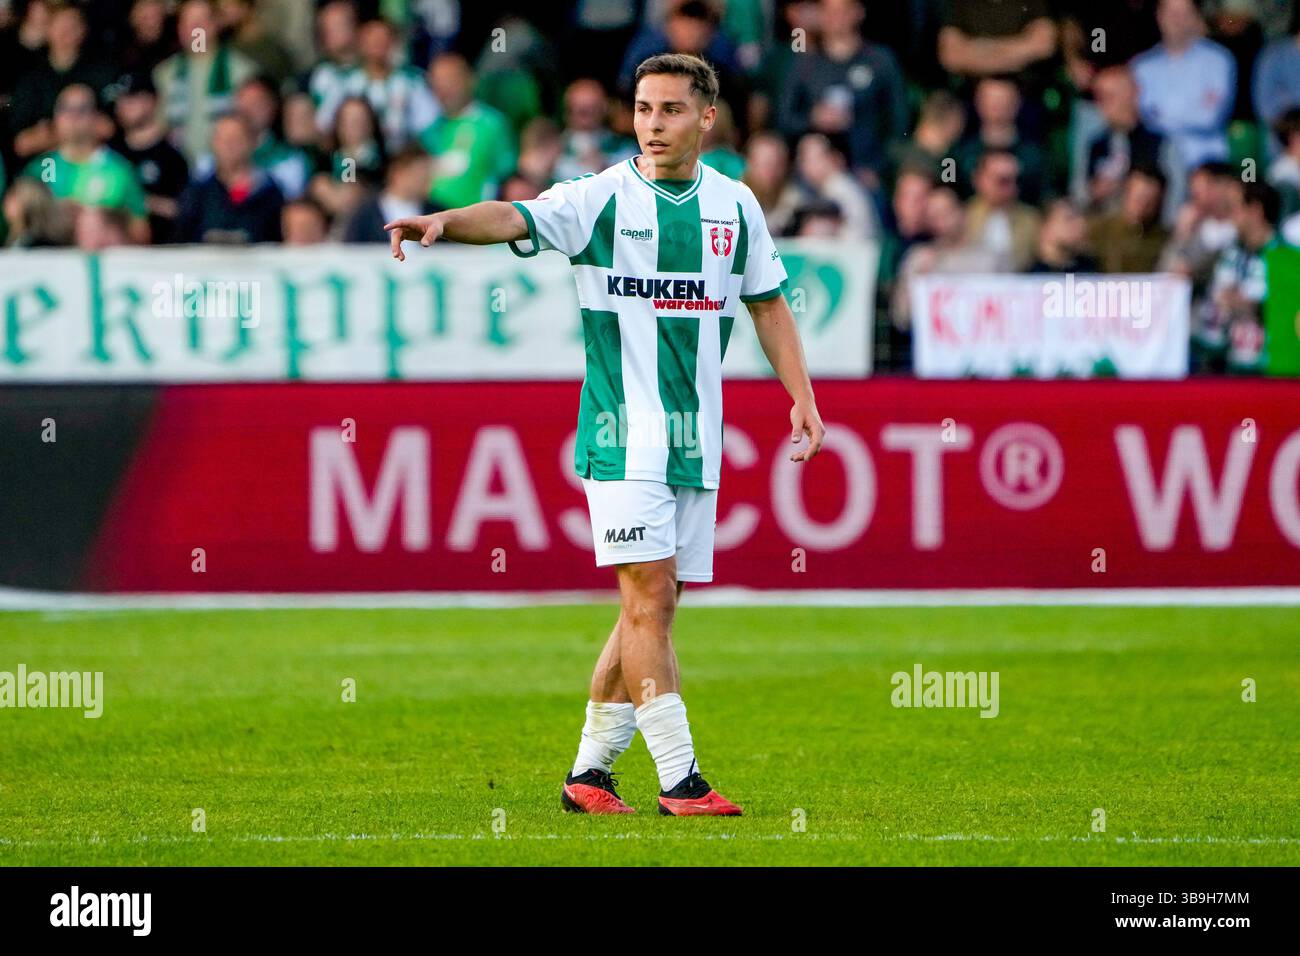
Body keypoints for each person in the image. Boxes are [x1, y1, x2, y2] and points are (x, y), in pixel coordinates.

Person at [385, 52, 825, 817]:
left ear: (706, 118)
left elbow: (768, 306)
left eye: (671, 110)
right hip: (622, 434)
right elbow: (515, 216)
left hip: (697, 435)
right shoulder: (599, 199)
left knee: (649, 611)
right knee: (648, 597)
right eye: (644, 108)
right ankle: (681, 779)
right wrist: (444, 223)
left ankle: (589, 775)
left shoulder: (736, 206)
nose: (652, 124)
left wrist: (802, 397)